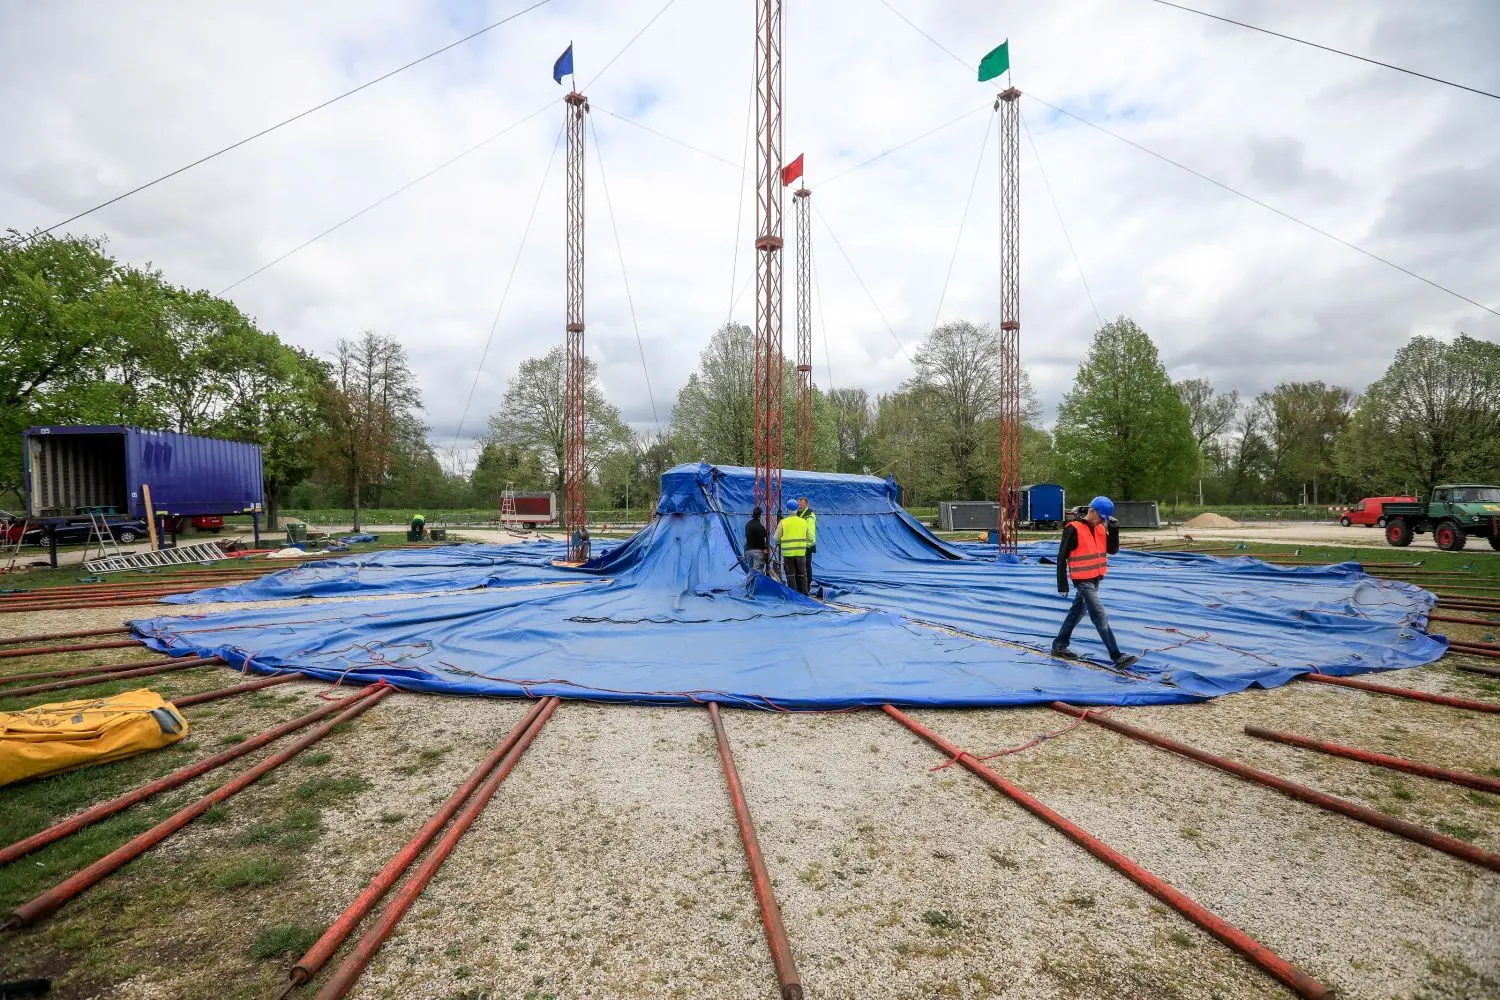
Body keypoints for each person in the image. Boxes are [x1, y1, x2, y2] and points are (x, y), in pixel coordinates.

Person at [1051, 496, 1138, 670]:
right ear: (1092, 511)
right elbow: (1061, 557)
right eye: (1101, 517)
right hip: (1082, 580)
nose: (1102, 521)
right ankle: (1117, 656)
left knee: (1076, 612)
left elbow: (1112, 550)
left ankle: (1059, 645)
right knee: (1099, 615)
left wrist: (1114, 530)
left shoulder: (1099, 528)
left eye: (1105, 519)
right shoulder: (1073, 528)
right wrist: (1062, 585)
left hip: (1095, 577)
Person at [774, 498, 811, 595]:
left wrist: (781, 541)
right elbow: (809, 537)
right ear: (797, 509)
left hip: (788, 554)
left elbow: (776, 538)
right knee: (802, 574)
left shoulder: (783, 522)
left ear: (787, 509)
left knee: (790, 575)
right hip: (801, 553)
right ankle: (804, 594)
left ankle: (793, 595)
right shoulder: (803, 522)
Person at [797, 496, 817, 584]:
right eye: (798, 505)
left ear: (806, 504)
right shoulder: (798, 513)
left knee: (807, 565)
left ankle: (808, 584)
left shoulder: (809, 516)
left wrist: (806, 546)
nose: (799, 506)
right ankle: (801, 583)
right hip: (800, 545)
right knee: (800, 566)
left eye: (801, 505)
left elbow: (810, 534)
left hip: (807, 546)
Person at [744, 506, 769, 575]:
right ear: (760, 515)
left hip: (748, 550)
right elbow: (761, 539)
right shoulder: (760, 526)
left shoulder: (748, 524)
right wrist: (765, 550)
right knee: (758, 571)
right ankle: (757, 582)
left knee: (751, 570)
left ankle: (750, 581)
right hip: (757, 552)